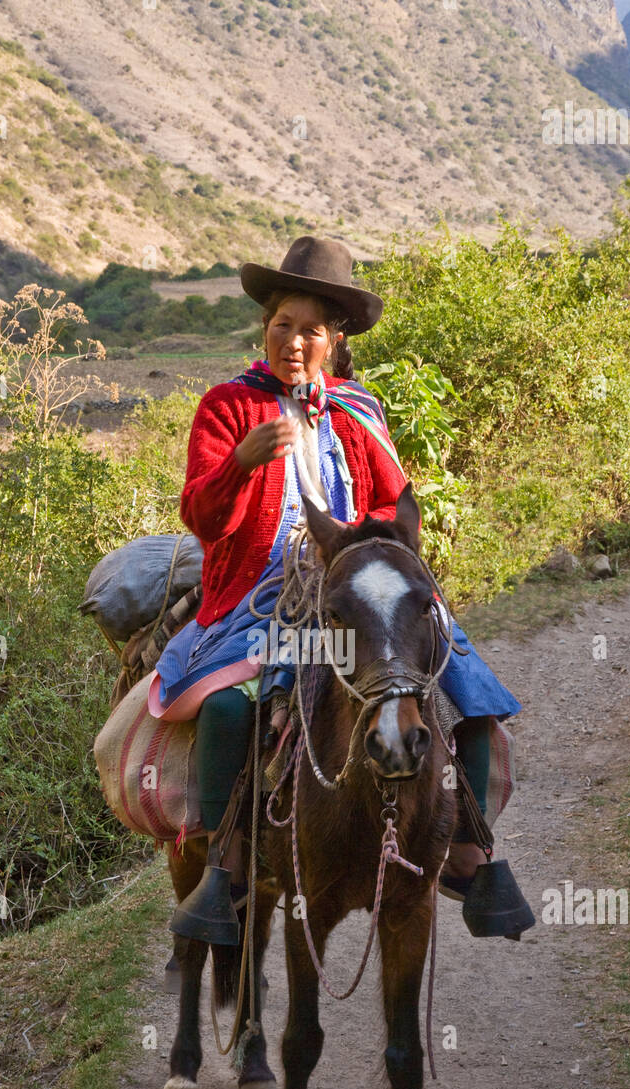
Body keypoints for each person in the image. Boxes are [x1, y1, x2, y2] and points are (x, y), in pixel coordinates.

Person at [148, 236, 526, 937]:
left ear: (335, 338)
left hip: (354, 584)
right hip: (264, 591)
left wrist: (361, 553)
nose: (293, 341)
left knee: (472, 692)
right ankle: (223, 863)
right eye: (282, 325)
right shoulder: (230, 408)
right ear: (264, 328)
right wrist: (238, 464)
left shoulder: (358, 410)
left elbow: (392, 508)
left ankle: (471, 849)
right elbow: (202, 517)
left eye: (311, 330)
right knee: (231, 707)